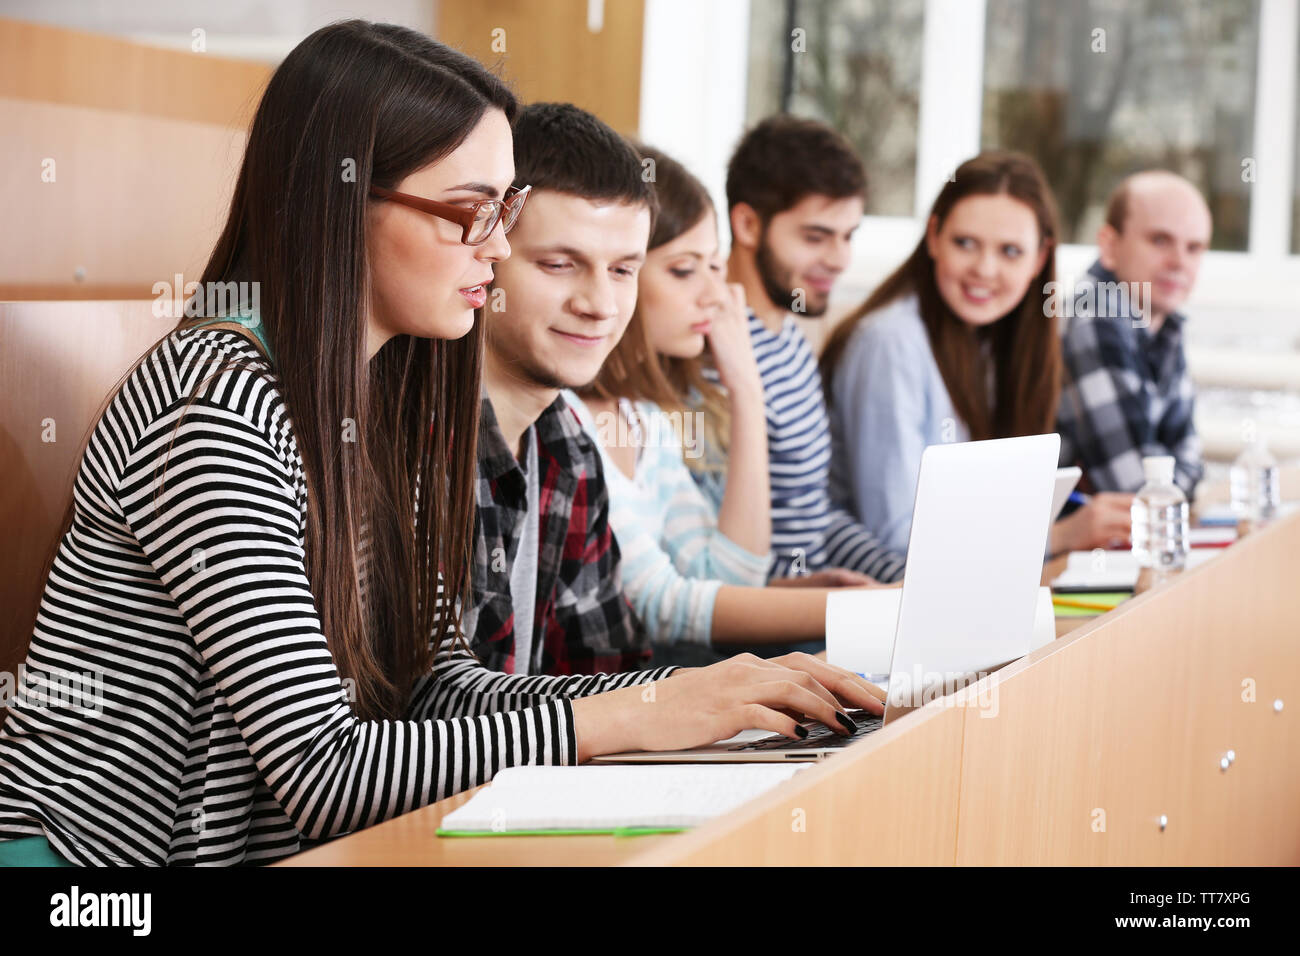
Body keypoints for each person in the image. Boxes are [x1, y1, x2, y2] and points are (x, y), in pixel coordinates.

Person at [0, 24, 882, 867]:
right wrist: (643, 709)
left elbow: (435, 687)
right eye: (469, 212)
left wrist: (706, 697)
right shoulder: (216, 402)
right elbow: (321, 770)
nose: (497, 249)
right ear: (340, 203)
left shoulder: (382, 397)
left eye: (505, 210)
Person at [567, 144, 877, 663]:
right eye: (685, 270)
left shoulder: (641, 417)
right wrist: (865, 608)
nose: (717, 293)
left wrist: (747, 390)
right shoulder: (571, 419)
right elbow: (665, 605)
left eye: (715, 264)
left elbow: (730, 573)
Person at [821, 152, 1133, 557]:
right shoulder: (890, 342)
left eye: (1010, 252)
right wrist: (1056, 537)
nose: (985, 269)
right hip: (874, 598)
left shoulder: (992, 341)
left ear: (1040, 259)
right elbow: (897, 538)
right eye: (965, 243)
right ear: (933, 237)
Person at [697, 115, 904, 583]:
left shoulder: (789, 337)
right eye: (816, 237)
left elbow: (814, 513)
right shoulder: (712, 349)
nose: (839, 259)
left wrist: (899, 577)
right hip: (763, 631)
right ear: (748, 224)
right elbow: (710, 571)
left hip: (810, 607)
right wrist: (806, 597)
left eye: (848, 235)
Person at [1056, 170, 1210, 499]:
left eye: (1194, 247)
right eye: (1160, 240)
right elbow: (1136, 489)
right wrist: (1178, 483)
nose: (1179, 262)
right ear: (1110, 246)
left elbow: (1189, 458)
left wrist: (1176, 482)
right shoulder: (1094, 312)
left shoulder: (1161, 318)